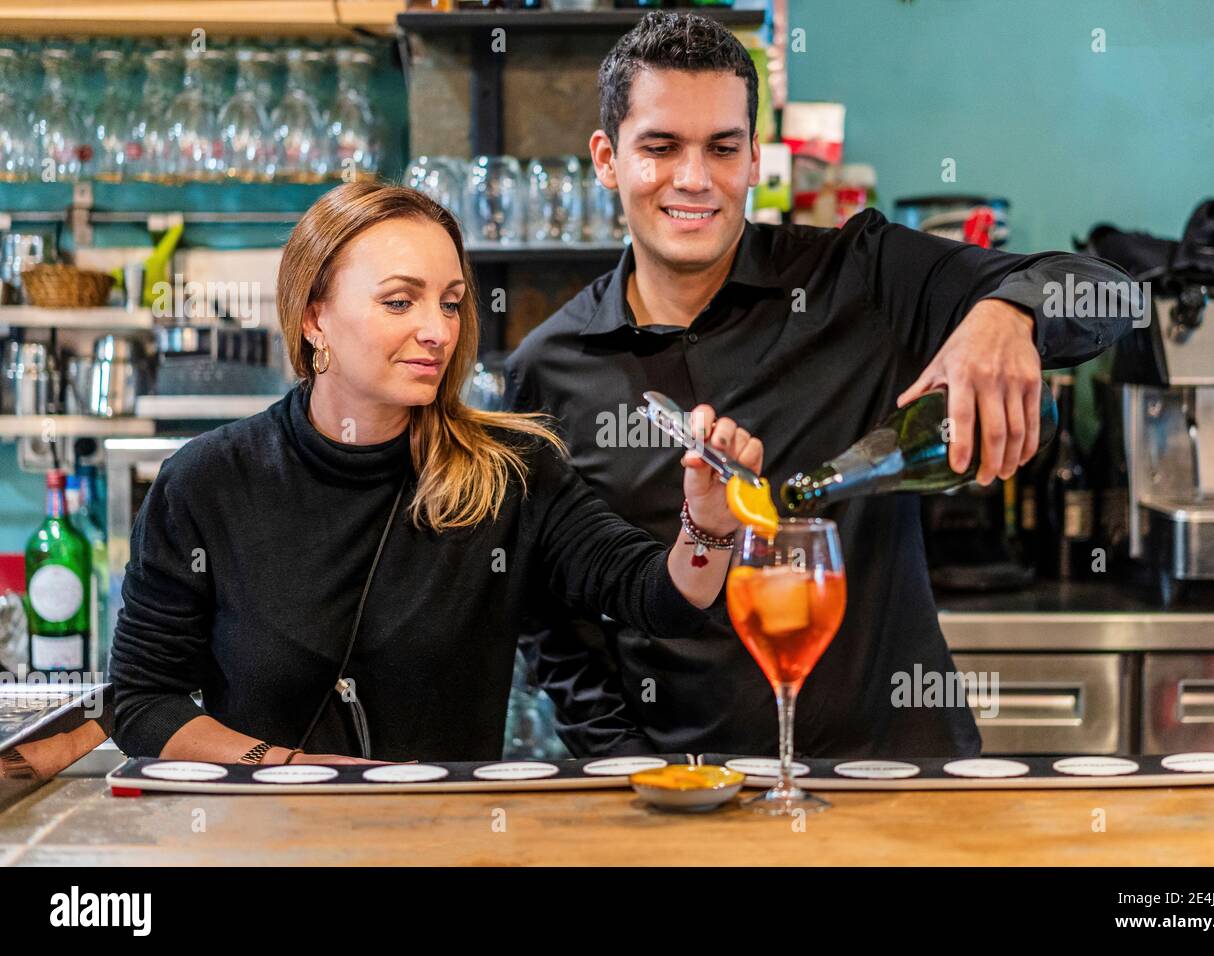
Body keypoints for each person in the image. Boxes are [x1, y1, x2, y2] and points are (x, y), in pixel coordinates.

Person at [505, 11, 1140, 759]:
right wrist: (627, 768)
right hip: (696, 789)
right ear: (608, 159)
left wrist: (1009, 314)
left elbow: (1110, 293)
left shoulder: (859, 277)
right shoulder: (549, 369)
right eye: (661, 147)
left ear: (754, 160)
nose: (695, 178)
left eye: (722, 148)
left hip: (902, 775)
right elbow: (553, 623)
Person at [108, 181, 762, 766]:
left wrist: (706, 527)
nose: (438, 331)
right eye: (400, 302)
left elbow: (660, 599)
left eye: (450, 304)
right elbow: (142, 701)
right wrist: (288, 767)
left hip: (447, 836)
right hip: (267, 837)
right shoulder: (207, 482)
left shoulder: (510, 472)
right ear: (313, 316)